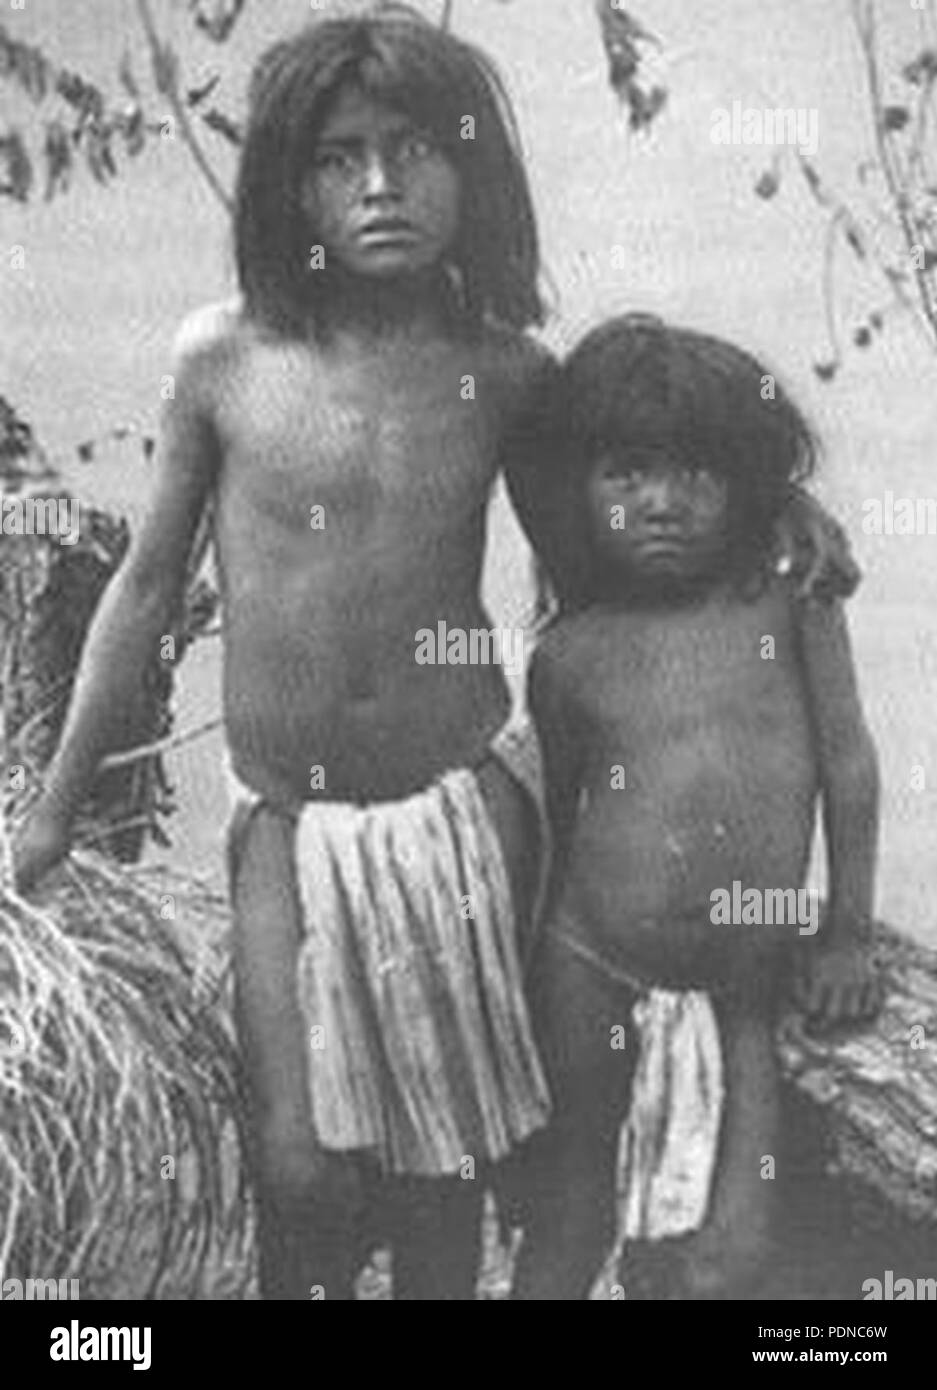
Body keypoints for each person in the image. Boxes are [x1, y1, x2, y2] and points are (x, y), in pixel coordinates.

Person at [14, 10, 859, 1301]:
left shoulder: (504, 373)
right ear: (290, 180)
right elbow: (140, 591)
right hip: (286, 822)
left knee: (442, 1163)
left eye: (413, 152)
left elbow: (629, 499)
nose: (379, 186)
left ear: (475, 176)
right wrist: (53, 812)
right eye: (340, 157)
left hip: (459, 814)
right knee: (298, 1163)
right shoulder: (224, 359)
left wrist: (778, 508)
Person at [509, 314, 880, 1300]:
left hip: (743, 973)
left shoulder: (785, 596)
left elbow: (847, 765)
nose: (662, 503)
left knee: (729, 1259)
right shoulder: (568, 654)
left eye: (698, 473)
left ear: (747, 486)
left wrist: (845, 933)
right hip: (586, 961)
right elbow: (556, 826)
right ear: (574, 493)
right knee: (571, 1212)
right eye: (625, 473)